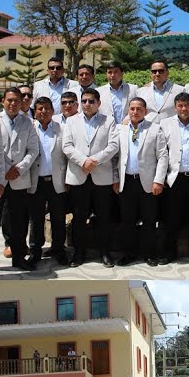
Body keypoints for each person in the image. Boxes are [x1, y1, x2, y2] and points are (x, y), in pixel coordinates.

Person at [61, 88, 120, 267]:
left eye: (91, 101)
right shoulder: (71, 121)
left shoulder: (108, 121)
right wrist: (83, 162)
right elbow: (67, 146)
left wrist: (94, 161)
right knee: (79, 218)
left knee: (103, 218)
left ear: (98, 103)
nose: (87, 104)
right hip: (79, 176)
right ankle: (79, 254)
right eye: (84, 101)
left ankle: (105, 253)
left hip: (101, 177)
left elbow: (113, 145)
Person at [113, 97, 167, 266]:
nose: (135, 112)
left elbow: (163, 157)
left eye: (139, 109)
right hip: (126, 182)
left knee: (149, 221)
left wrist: (158, 181)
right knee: (127, 221)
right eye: (132, 109)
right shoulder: (119, 130)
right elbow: (115, 158)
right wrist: (116, 179)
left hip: (148, 183)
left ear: (146, 111)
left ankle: (149, 254)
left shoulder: (155, 129)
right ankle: (128, 254)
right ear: (128, 110)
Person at [0, 87, 41, 270]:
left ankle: (19, 258)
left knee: (19, 222)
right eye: (10, 100)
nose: (13, 103)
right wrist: (7, 170)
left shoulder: (28, 123)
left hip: (19, 179)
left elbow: (33, 150)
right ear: (3, 102)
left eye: (17, 100)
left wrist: (19, 168)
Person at [29, 96, 68, 266]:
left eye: (47, 108)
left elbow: (67, 156)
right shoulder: (29, 129)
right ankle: (35, 251)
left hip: (57, 181)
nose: (43, 112)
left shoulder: (63, 129)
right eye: (39, 109)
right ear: (35, 112)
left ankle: (59, 250)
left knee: (58, 219)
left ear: (53, 111)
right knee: (36, 219)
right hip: (35, 182)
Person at [138, 59, 185, 124]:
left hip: (171, 129)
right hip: (149, 129)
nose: (157, 74)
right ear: (151, 74)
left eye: (161, 71)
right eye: (154, 71)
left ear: (167, 73)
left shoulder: (180, 90)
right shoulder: (141, 92)